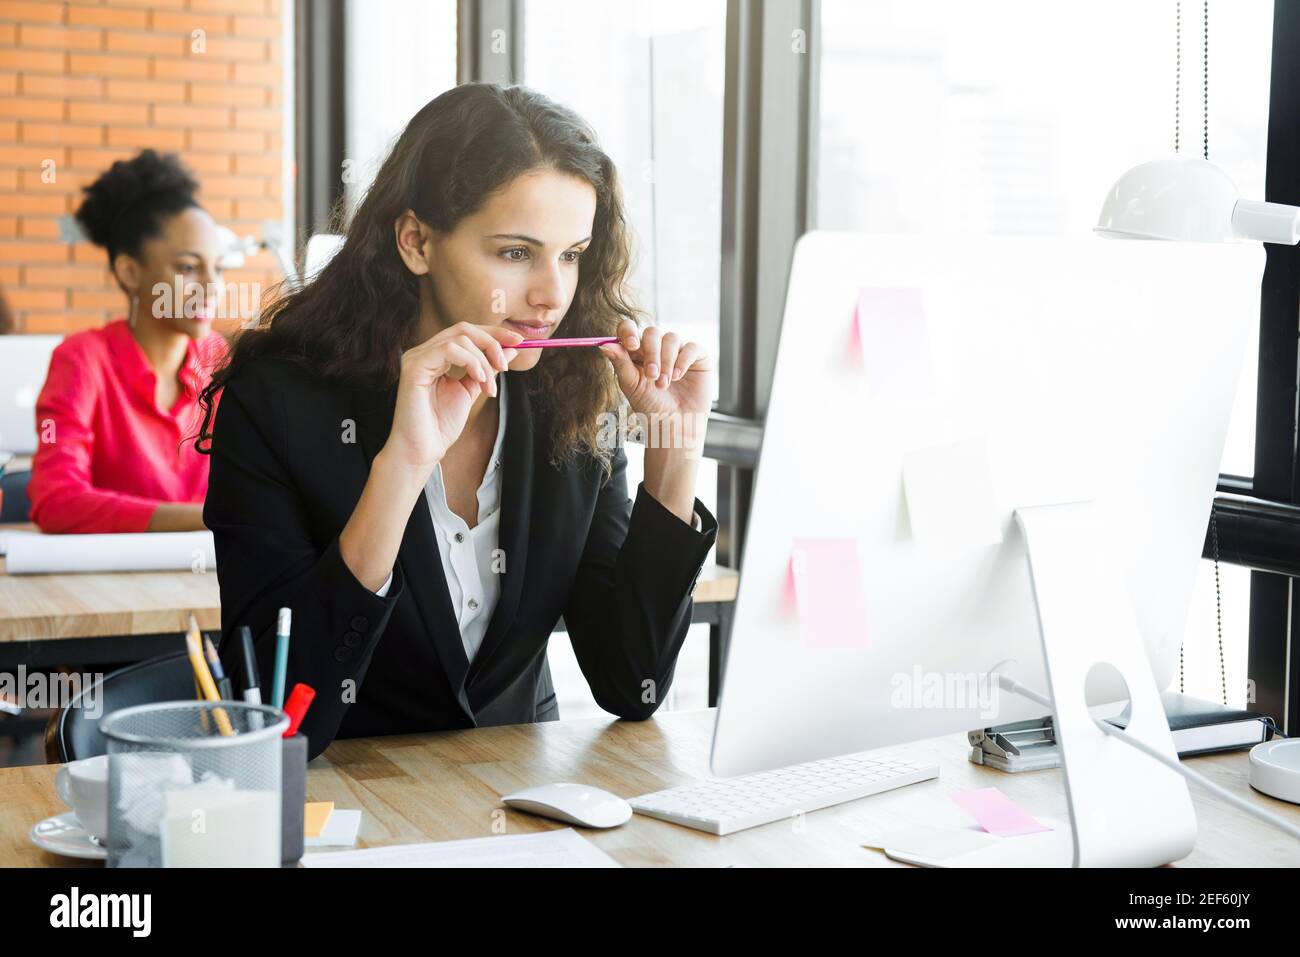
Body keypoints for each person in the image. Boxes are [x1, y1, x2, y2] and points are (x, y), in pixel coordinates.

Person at [200, 84, 717, 758]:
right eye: (514, 252)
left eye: (570, 253)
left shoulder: (571, 400)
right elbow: (280, 719)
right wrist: (402, 466)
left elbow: (633, 683)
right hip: (351, 818)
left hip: (517, 815)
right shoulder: (276, 405)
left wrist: (675, 457)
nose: (552, 295)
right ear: (416, 241)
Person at [28, 150, 229, 533]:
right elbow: (56, 501)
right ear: (130, 272)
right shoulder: (83, 360)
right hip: (108, 586)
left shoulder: (219, 359)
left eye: (217, 269)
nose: (211, 288)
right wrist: (209, 519)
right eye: (188, 268)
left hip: (209, 578)